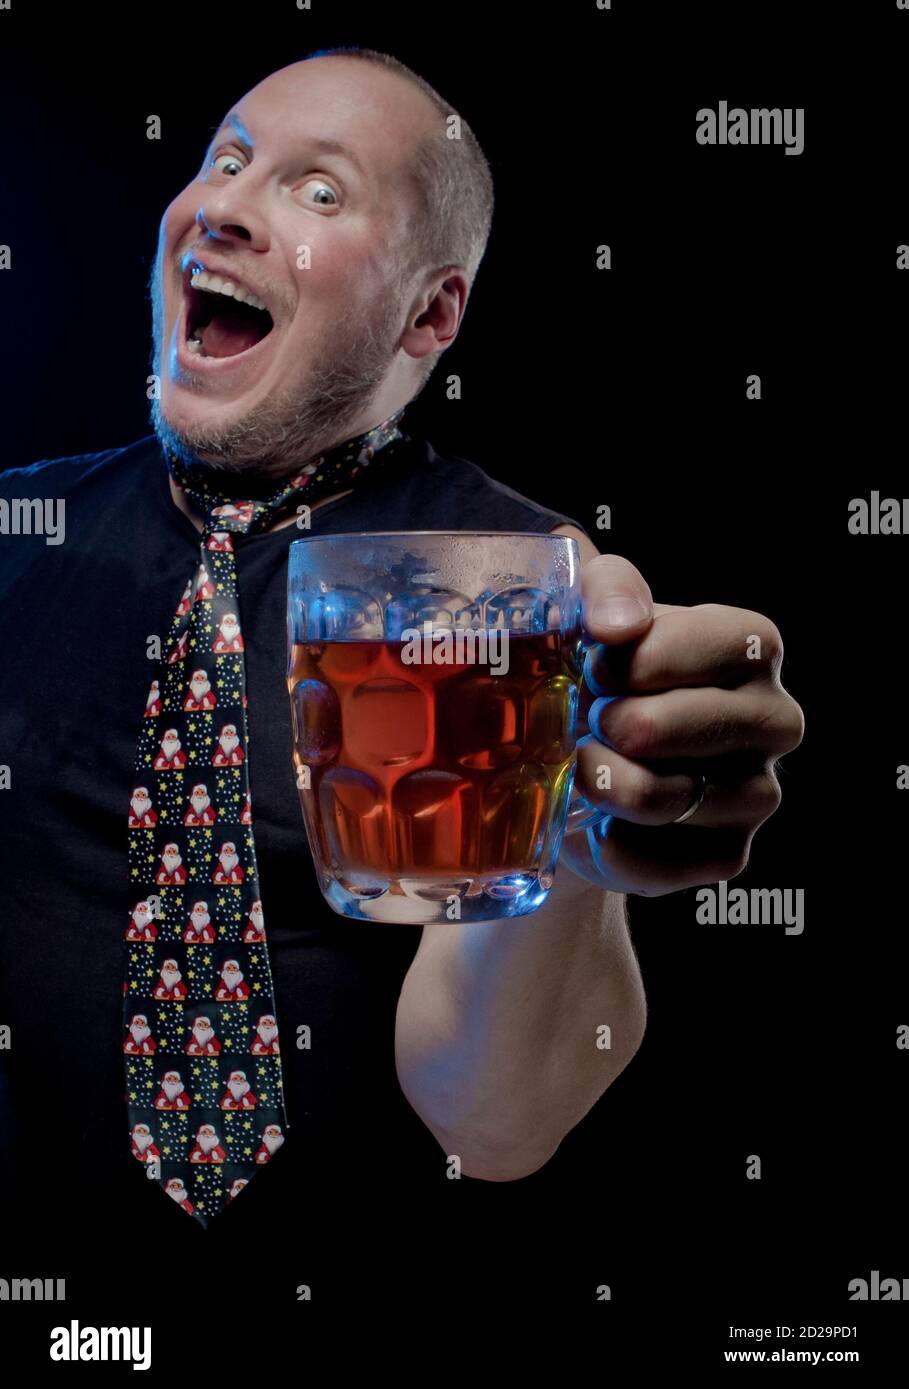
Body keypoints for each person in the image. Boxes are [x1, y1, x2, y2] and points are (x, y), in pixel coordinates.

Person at [0, 47, 803, 1262]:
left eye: (319, 193)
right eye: (226, 160)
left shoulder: (520, 593)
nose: (223, 206)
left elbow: (495, 1126)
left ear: (431, 313)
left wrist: (568, 851)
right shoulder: (17, 534)